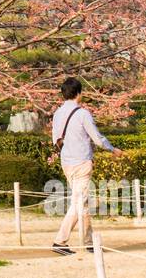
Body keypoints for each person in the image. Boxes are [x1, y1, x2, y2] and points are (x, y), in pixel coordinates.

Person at [50, 77, 122, 256]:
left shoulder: (58, 113)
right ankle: (60, 241)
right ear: (79, 93)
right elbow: (97, 138)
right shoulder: (83, 114)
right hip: (82, 162)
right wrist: (112, 149)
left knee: (82, 203)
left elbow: (55, 138)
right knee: (78, 203)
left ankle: (89, 242)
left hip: (66, 161)